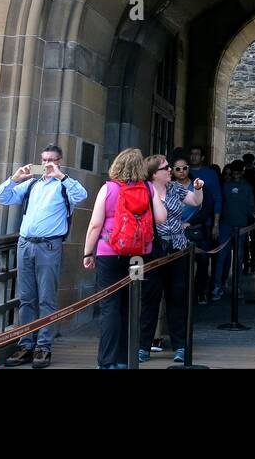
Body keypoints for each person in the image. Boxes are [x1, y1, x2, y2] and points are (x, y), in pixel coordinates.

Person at [0, 143, 88, 368]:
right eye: (44, 159)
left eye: (51, 160)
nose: (47, 164)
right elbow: (3, 197)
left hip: (49, 246)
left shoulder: (65, 186)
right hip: (25, 244)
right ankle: (26, 344)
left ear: (59, 161)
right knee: (27, 298)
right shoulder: (32, 184)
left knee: (46, 297)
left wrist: (62, 176)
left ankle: (43, 347)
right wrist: (14, 178)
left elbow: (82, 194)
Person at [82, 147, 167, 369]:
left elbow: (95, 225)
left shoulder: (108, 188)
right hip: (139, 256)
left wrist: (88, 252)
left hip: (109, 254)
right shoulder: (148, 188)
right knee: (131, 303)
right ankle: (125, 359)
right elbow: (161, 218)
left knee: (110, 306)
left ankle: (107, 361)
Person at [137, 154, 204, 364]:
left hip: (177, 248)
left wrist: (199, 188)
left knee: (178, 296)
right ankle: (142, 346)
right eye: (166, 168)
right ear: (154, 173)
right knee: (149, 299)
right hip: (151, 249)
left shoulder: (175, 188)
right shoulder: (143, 190)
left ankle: (180, 346)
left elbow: (194, 202)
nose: (170, 171)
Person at [213, 160, 255, 299]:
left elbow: (250, 206)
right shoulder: (235, 186)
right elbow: (250, 207)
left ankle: (222, 286)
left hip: (234, 225)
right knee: (227, 257)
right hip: (232, 225)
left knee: (230, 257)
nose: (236, 175)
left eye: (237, 172)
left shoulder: (229, 186)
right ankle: (222, 285)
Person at [187, 146, 222, 302]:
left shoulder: (209, 174)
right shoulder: (184, 172)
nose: (194, 157)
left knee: (202, 259)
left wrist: (215, 223)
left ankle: (201, 290)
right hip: (182, 224)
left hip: (204, 224)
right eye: (192, 154)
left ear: (202, 157)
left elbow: (217, 198)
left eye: (197, 154)